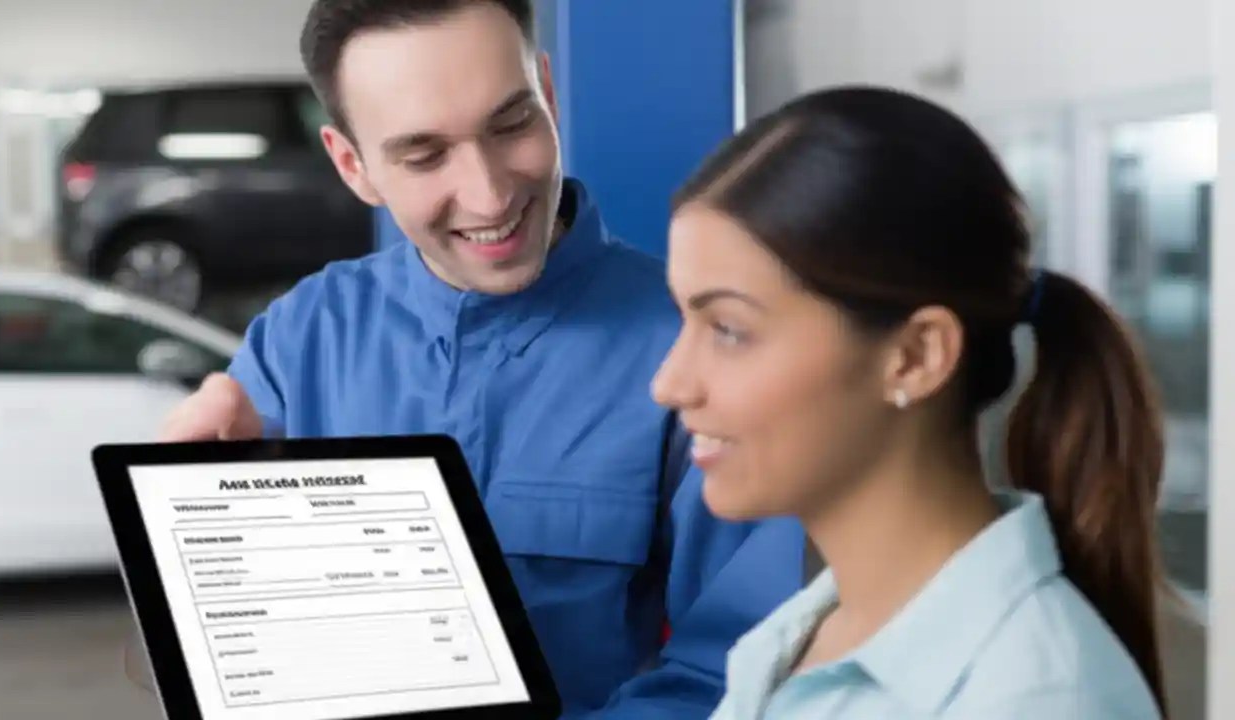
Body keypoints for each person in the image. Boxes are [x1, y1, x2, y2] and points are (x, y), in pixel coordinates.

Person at [145, 0, 805, 717]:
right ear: (352, 164)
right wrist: (187, 543)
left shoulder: (692, 344)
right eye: (425, 154)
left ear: (548, 96)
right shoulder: (303, 336)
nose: (490, 194)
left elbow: (738, 666)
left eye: (512, 123)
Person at [651, 86, 1167, 719]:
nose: (670, 384)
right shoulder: (801, 640)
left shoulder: (1038, 698)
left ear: (918, 356)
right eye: (684, 320)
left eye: (728, 329)